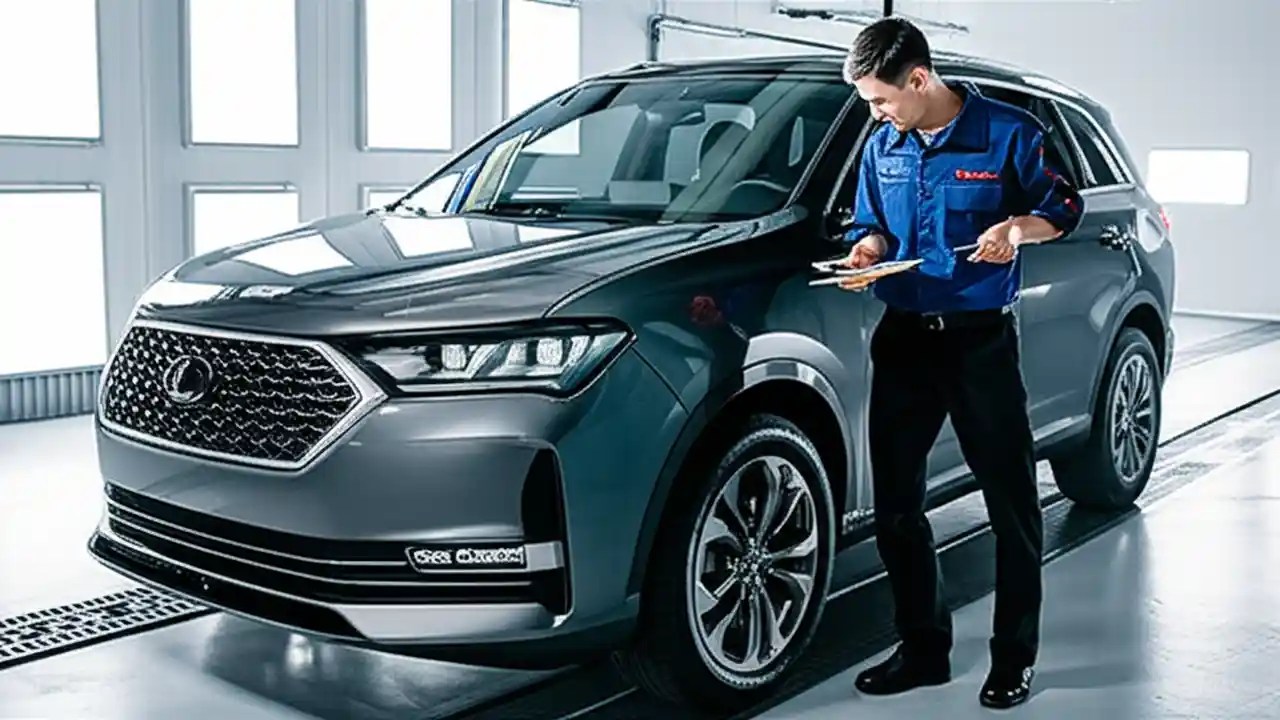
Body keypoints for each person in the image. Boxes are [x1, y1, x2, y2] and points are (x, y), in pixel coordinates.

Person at [836, 17, 1083, 710]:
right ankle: (923, 650)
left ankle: (1014, 659)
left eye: (882, 99)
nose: (876, 114)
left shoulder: (1008, 132)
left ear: (918, 79)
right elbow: (870, 223)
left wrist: (1015, 229)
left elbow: (1063, 205)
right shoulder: (883, 144)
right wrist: (865, 253)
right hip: (905, 339)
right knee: (896, 510)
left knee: (1011, 508)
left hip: (979, 344)